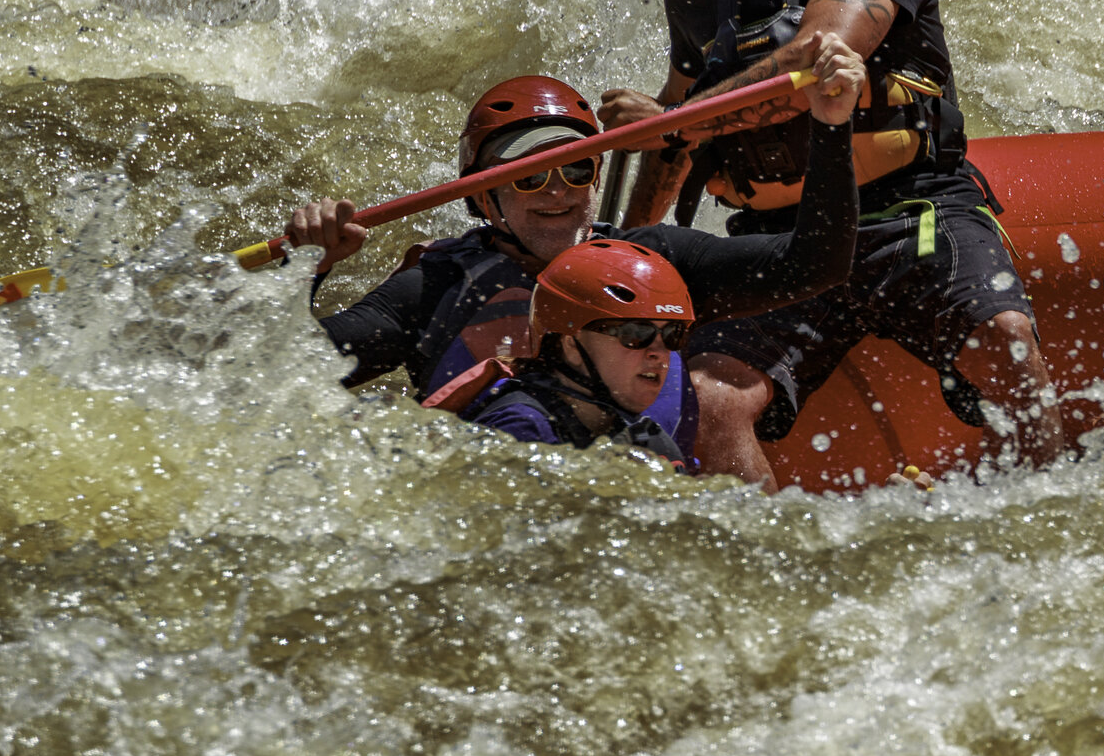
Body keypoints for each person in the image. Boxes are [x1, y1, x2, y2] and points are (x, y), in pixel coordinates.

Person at [597, 0, 1068, 464]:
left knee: (1005, 337)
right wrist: (618, 260)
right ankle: (764, 564)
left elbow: (811, 64)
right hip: (782, 242)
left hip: (913, 213)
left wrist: (674, 121)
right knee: (714, 400)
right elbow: (673, 142)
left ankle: (1056, 504)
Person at [284, 42, 865, 487]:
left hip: (651, 482)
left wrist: (832, 126)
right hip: (502, 494)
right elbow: (283, 377)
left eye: (576, 169)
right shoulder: (436, 286)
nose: (556, 191)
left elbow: (815, 265)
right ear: (484, 199)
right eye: (527, 177)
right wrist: (309, 271)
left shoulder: (655, 259)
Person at [458, 238, 698, 464]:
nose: (659, 352)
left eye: (672, 334)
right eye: (635, 333)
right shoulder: (518, 431)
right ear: (570, 345)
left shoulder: (647, 444)